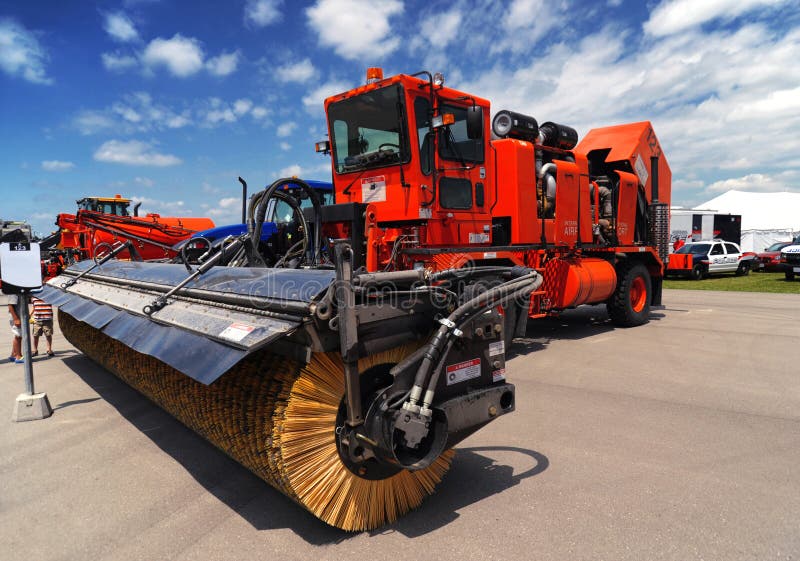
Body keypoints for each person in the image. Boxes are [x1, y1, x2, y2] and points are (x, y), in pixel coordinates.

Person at [7, 294, 23, 363]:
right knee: (18, 336)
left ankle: (13, 354)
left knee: (18, 335)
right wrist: (16, 318)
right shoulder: (13, 291)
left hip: (19, 317)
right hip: (16, 317)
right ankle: (18, 356)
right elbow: (10, 305)